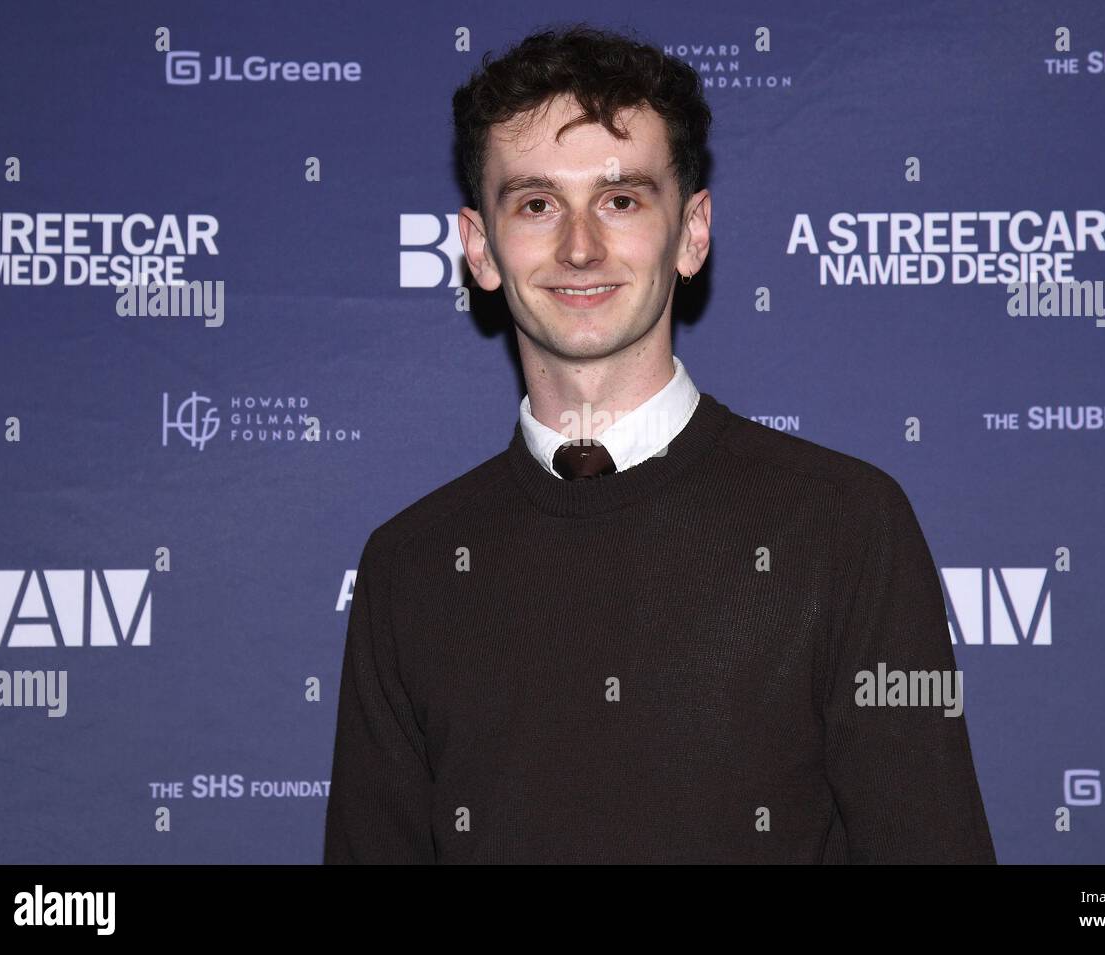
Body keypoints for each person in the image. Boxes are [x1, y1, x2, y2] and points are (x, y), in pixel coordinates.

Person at [324, 23, 996, 864]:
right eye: (536, 203)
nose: (579, 246)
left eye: (621, 199)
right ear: (478, 249)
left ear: (692, 232)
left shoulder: (844, 524)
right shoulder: (409, 565)